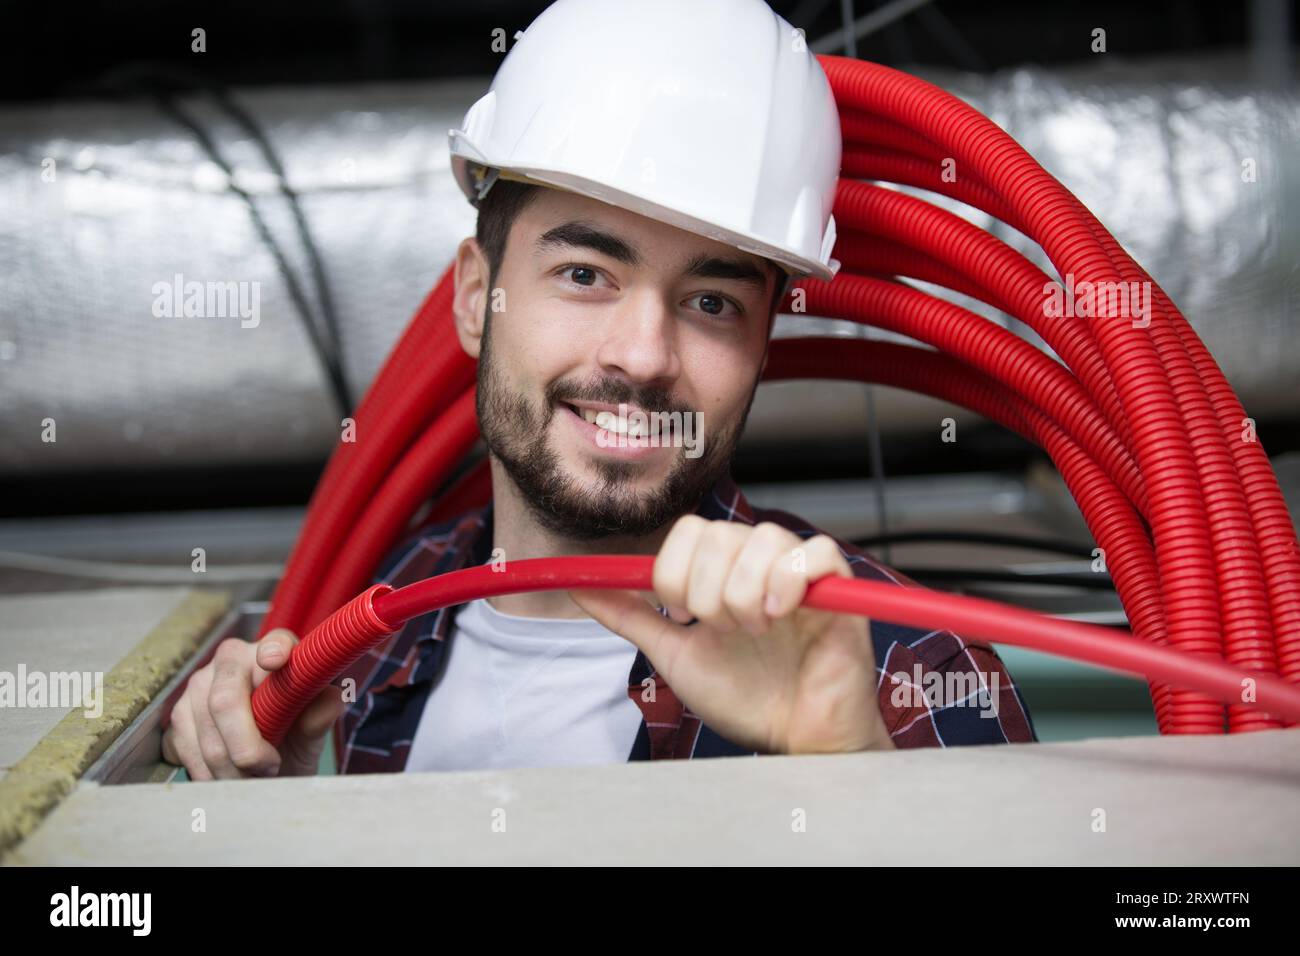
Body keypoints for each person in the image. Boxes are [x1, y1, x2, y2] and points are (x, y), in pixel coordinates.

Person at [162, 0, 1036, 781]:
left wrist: (849, 774)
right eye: (585, 273)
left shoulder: (907, 668)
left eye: (710, 302)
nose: (644, 355)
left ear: (764, 345)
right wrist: (271, 816)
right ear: (477, 299)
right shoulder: (382, 612)